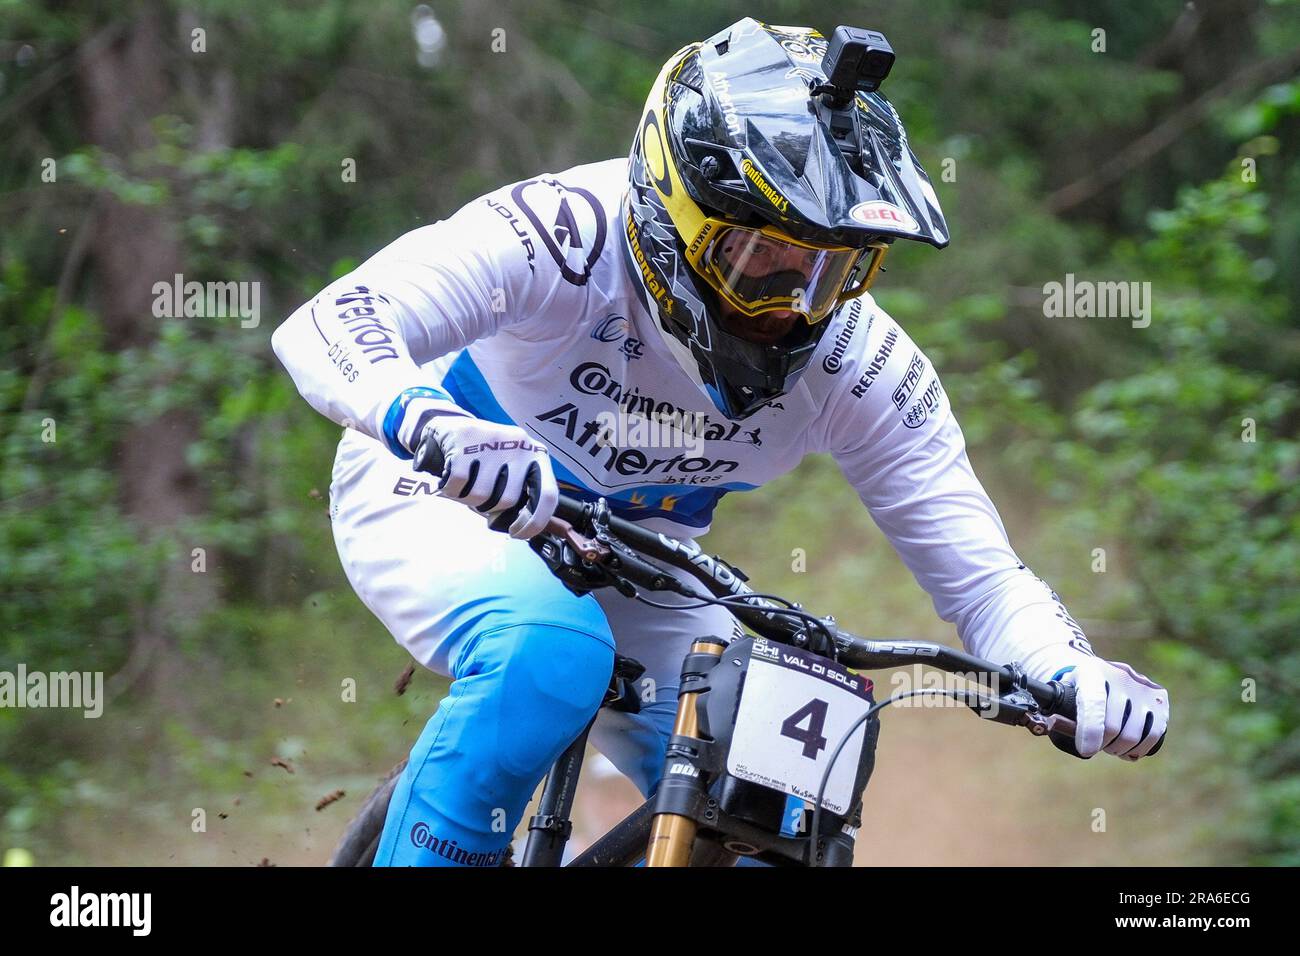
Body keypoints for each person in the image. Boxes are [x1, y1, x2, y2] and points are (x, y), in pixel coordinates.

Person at [271, 18, 1169, 867]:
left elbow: (982, 579)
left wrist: (1067, 668)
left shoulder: (860, 359)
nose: (793, 304)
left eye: (834, 270)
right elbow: (330, 323)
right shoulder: (566, 233)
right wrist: (432, 424)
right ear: (672, 213)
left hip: (647, 557)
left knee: (780, 786)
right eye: (760, 260)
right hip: (443, 492)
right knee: (548, 652)